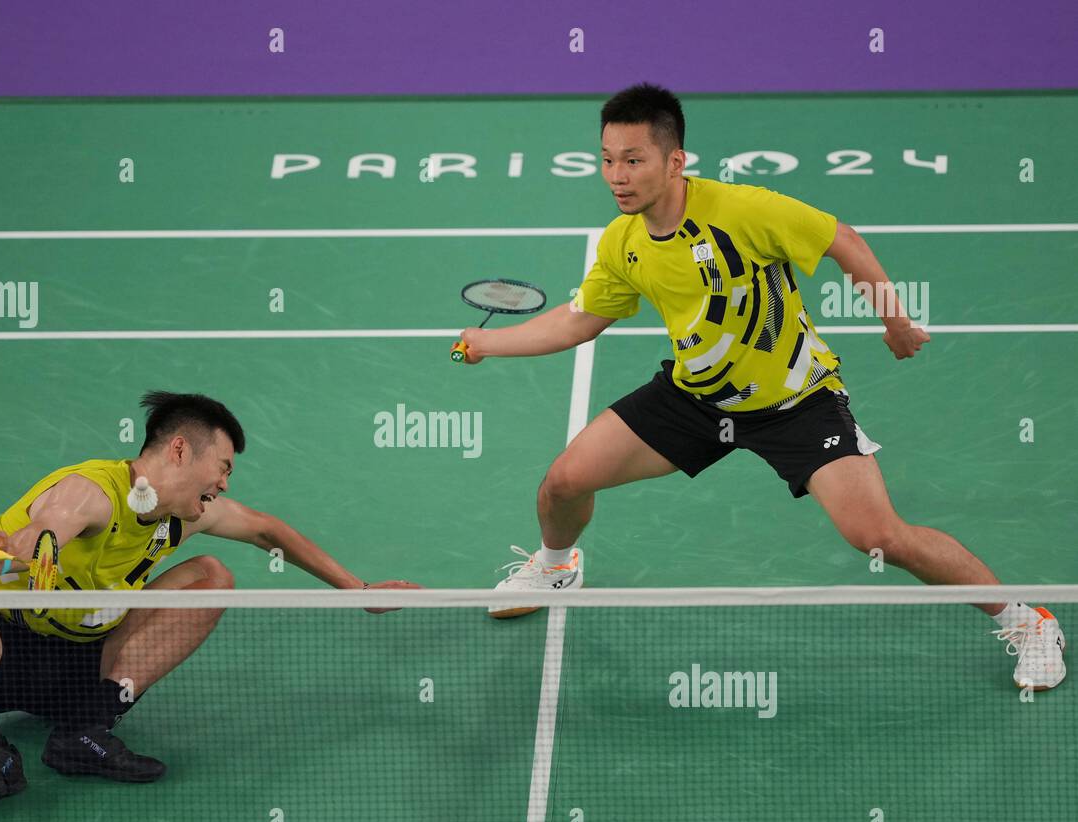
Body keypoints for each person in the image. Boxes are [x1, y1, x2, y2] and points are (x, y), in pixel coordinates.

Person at [456, 82, 1064, 693]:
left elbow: (841, 239)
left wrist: (895, 319)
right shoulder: (625, 242)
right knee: (564, 480)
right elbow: (581, 318)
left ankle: (1030, 623)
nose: (617, 175)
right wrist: (489, 344)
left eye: (633, 160)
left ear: (675, 161)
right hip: (697, 398)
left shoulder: (744, 210)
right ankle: (556, 568)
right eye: (608, 159)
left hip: (796, 402)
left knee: (879, 536)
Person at [0, 390, 420, 807]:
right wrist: (31, 546)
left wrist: (357, 589)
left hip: (81, 665)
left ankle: (85, 733)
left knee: (212, 576)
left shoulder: (181, 515)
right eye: (222, 466)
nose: (222, 482)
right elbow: (52, 522)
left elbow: (266, 531)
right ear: (178, 450)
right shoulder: (95, 491)